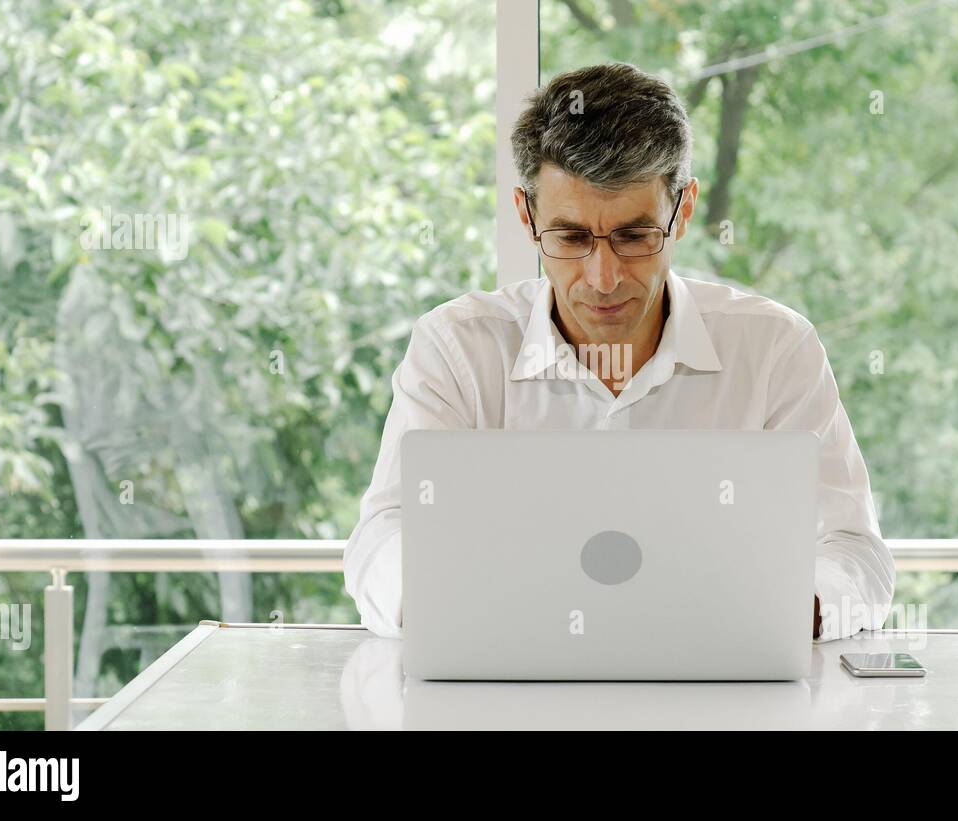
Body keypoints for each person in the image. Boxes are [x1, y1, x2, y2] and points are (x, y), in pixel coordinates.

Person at [344, 62, 894, 642]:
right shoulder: (457, 349)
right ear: (527, 218)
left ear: (681, 212)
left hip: (720, 690)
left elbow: (854, 550)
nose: (602, 278)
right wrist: (449, 601)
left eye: (634, 237)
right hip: (510, 687)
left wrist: (784, 612)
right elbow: (385, 533)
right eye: (572, 237)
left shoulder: (775, 350)